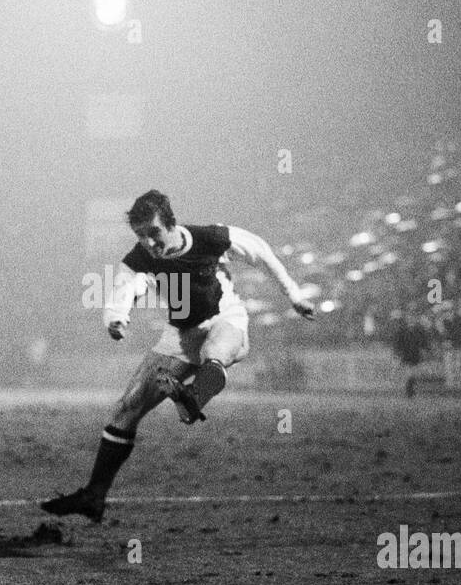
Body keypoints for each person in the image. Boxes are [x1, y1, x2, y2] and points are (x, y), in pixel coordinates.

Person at [41, 189, 315, 522]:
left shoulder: (211, 237)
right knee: (126, 409)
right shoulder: (142, 256)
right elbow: (126, 287)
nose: (149, 242)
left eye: (153, 233)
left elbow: (261, 254)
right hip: (180, 336)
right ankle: (94, 496)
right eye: (141, 236)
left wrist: (295, 295)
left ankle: (195, 394)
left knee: (216, 350)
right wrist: (116, 318)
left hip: (224, 318)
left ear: (171, 222)